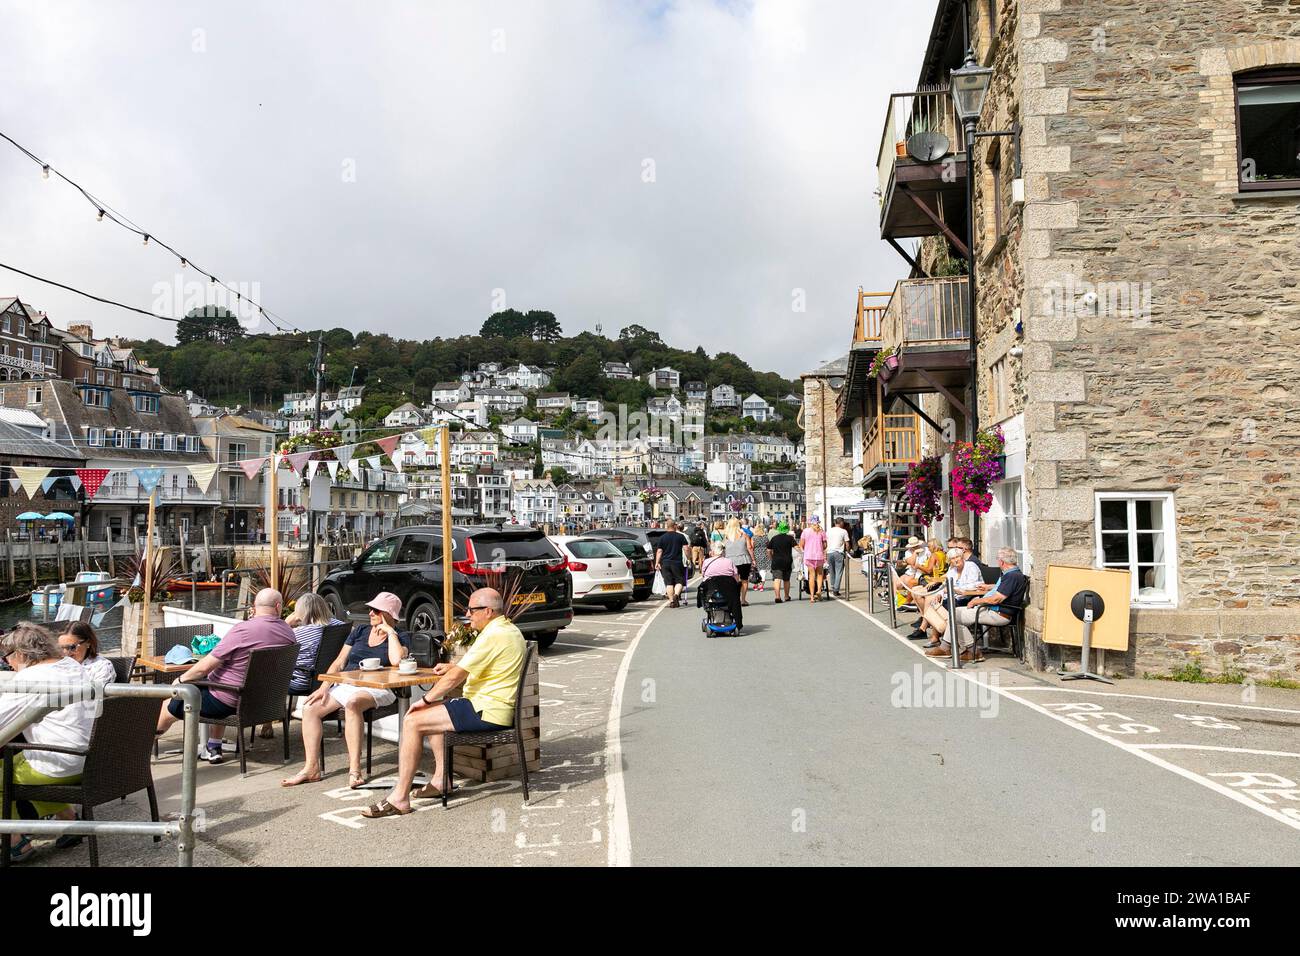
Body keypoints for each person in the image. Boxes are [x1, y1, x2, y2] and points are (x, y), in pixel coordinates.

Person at [362, 588, 525, 817]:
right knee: (431, 715)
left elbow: (456, 677)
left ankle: (399, 798)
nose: (468, 614)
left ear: (488, 611)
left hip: (486, 710)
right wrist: (451, 669)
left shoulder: (493, 635)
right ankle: (441, 780)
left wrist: (427, 698)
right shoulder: (508, 630)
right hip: (492, 706)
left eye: (472, 610)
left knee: (412, 720)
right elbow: (484, 667)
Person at [282, 592, 411, 788]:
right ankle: (311, 768)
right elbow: (339, 662)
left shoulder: (401, 636)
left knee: (353, 704)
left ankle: (354, 770)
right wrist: (324, 686)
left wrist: (390, 632)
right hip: (348, 684)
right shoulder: (359, 631)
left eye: (376, 610)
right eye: (370, 609)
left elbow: (396, 661)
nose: (370, 613)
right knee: (311, 708)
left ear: (389, 614)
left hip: (380, 689)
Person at [156, 587, 296, 764]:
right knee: (218, 680)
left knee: (170, 704)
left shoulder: (243, 631)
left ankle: (140, 744)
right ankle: (214, 746)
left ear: (254, 606)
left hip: (229, 701)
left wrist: (180, 680)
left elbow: (202, 668)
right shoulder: (288, 633)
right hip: (265, 701)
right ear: (278, 606)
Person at [0, 624, 97, 862]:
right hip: (94, 760)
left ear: (21, 654)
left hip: (60, 764)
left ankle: (15, 843)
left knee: (9, 770)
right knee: (25, 761)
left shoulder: (31, 678)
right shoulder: (72, 665)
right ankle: (69, 821)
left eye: (7, 658)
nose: (7, 663)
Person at [927, 548, 1028, 662]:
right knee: (956, 611)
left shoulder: (1012, 576)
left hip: (998, 613)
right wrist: (990, 587)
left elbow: (996, 599)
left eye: (997, 560)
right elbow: (1004, 588)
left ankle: (971, 651)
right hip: (993, 610)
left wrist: (976, 601)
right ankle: (946, 647)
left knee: (956, 616)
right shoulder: (1013, 574)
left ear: (1002, 562)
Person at [914, 547, 985, 645]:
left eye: (957, 557)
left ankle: (944, 639)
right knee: (934, 601)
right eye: (953, 558)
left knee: (941, 606)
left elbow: (974, 585)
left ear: (962, 557)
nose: (956, 560)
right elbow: (944, 585)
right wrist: (940, 594)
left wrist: (954, 589)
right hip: (954, 597)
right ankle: (941, 636)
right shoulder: (953, 570)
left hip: (968, 598)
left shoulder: (971, 566)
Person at [284, 593, 345, 695]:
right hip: (329, 680)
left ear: (300, 612)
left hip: (302, 682)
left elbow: (276, 646)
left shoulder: (296, 633)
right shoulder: (340, 626)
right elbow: (353, 633)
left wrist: (286, 624)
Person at [57, 621, 115, 686]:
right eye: (60, 648)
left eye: (72, 647)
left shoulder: (101, 667)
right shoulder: (56, 665)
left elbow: (96, 694)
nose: (65, 653)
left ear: (88, 643)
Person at [654, 520, 691, 609]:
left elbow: (659, 551)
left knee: (669, 583)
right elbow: (686, 549)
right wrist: (688, 558)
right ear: (674, 526)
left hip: (665, 563)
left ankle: (671, 601)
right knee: (679, 581)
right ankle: (676, 595)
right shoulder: (680, 536)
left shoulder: (662, 538)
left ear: (667, 526)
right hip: (677, 563)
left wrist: (657, 562)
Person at [723, 518, 755, 605]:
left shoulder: (726, 536)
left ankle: (735, 599)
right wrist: (753, 559)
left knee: (733, 581)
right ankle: (743, 600)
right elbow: (749, 547)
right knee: (744, 580)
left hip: (730, 560)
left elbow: (723, 549)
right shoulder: (744, 534)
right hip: (744, 559)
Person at [766, 521, 796, 603]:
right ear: (787, 529)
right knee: (786, 579)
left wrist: (771, 558)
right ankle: (786, 596)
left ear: (779, 529)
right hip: (787, 561)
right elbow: (797, 548)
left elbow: (768, 550)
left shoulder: (774, 538)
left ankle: (777, 596)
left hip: (776, 561)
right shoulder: (790, 538)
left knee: (777, 579)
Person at [800, 517, 828, 601]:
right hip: (819, 556)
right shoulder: (821, 531)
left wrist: (804, 551)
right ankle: (819, 590)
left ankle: (812, 596)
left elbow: (801, 545)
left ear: (810, 523)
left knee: (811, 576)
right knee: (820, 575)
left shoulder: (805, 531)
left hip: (808, 556)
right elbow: (825, 545)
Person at [825, 518, 851, 598]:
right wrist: (848, 551)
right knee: (839, 571)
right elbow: (847, 544)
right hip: (839, 553)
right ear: (841, 522)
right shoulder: (844, 531)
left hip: (829, 552)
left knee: (832, 571)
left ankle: (833, 586)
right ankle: (836, 589)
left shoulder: (829, 531)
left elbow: (825, 542)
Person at [750, 522, 771, 592]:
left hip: (756, 555)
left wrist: (752, 557)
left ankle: (756, 584)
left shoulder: (754, 538)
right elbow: (768, 546)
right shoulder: (765, 537)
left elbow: (752, 547)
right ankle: (761, 586)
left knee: (756, 571)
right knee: (763, 571)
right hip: (765, 555)